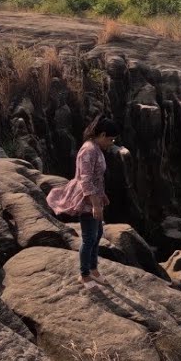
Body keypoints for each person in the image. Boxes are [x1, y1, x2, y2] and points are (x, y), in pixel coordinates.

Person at [47, 117, 121, 289]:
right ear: (102, 135)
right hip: (87, 200)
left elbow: (97, 178)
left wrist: (101, 199)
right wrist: (95, 204)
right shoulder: (88, 150)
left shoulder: (96, 148)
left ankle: (94, 270)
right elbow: (86, 181)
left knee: (97, 235)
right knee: (89, 238)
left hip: (96, 198)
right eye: (110, 139)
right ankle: (84, 274)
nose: (112, 143)